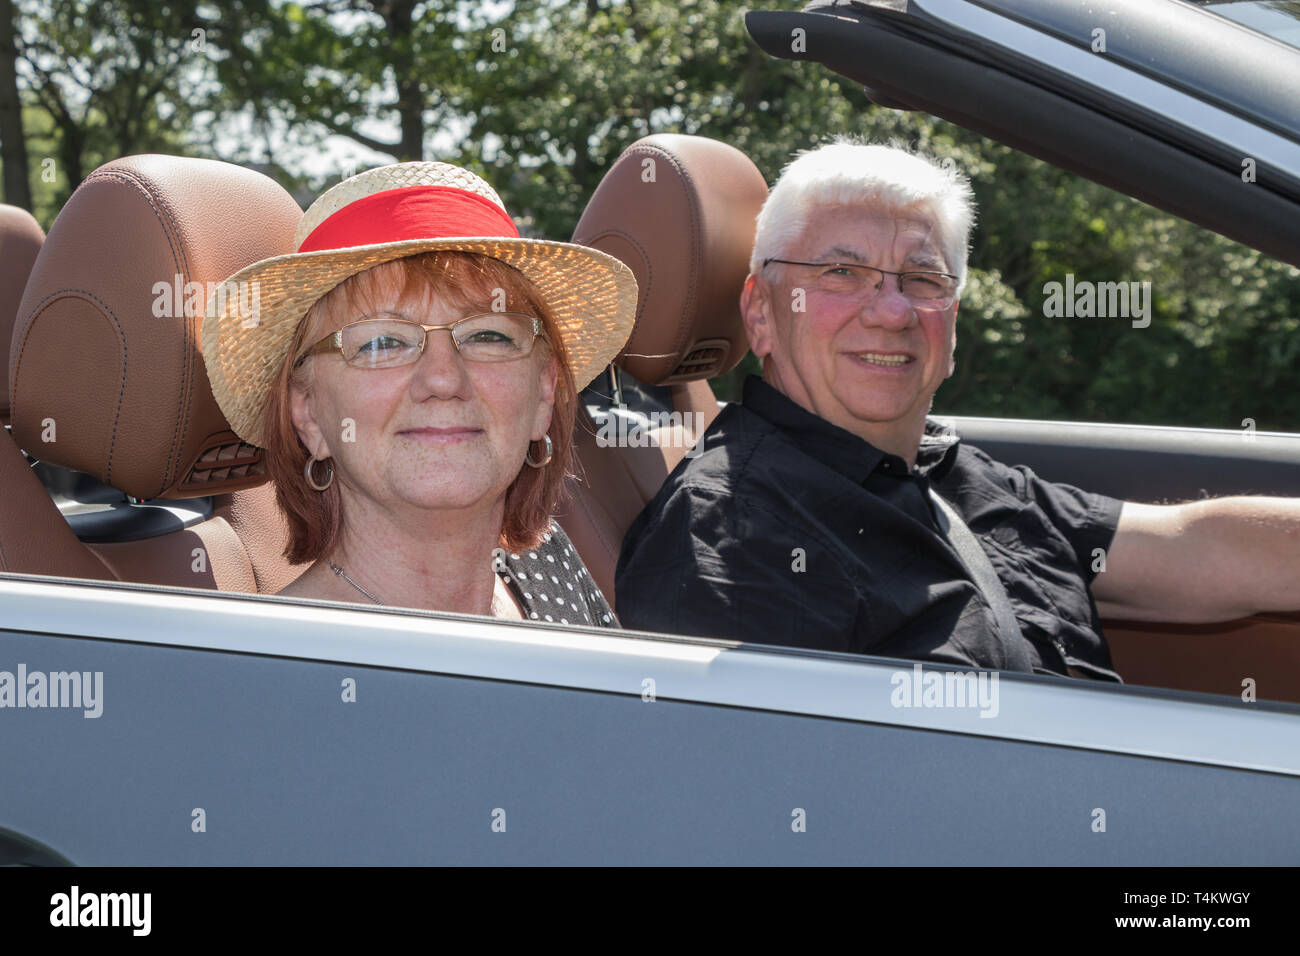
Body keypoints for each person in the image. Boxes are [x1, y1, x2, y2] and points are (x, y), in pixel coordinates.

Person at [616, 140, 1300, 677]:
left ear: (954, 323)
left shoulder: (953, 476)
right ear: (760, 313)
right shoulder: (730, 535)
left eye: (922, 279)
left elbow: (1190, 549)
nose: (890, 312)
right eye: (841, 273)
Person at [202, 161, 637, 624]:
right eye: (381, 343)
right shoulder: (269, 669)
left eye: (488, 336)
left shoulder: (553, 568)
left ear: (544, 394)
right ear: (308, 415)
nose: (444, 380)